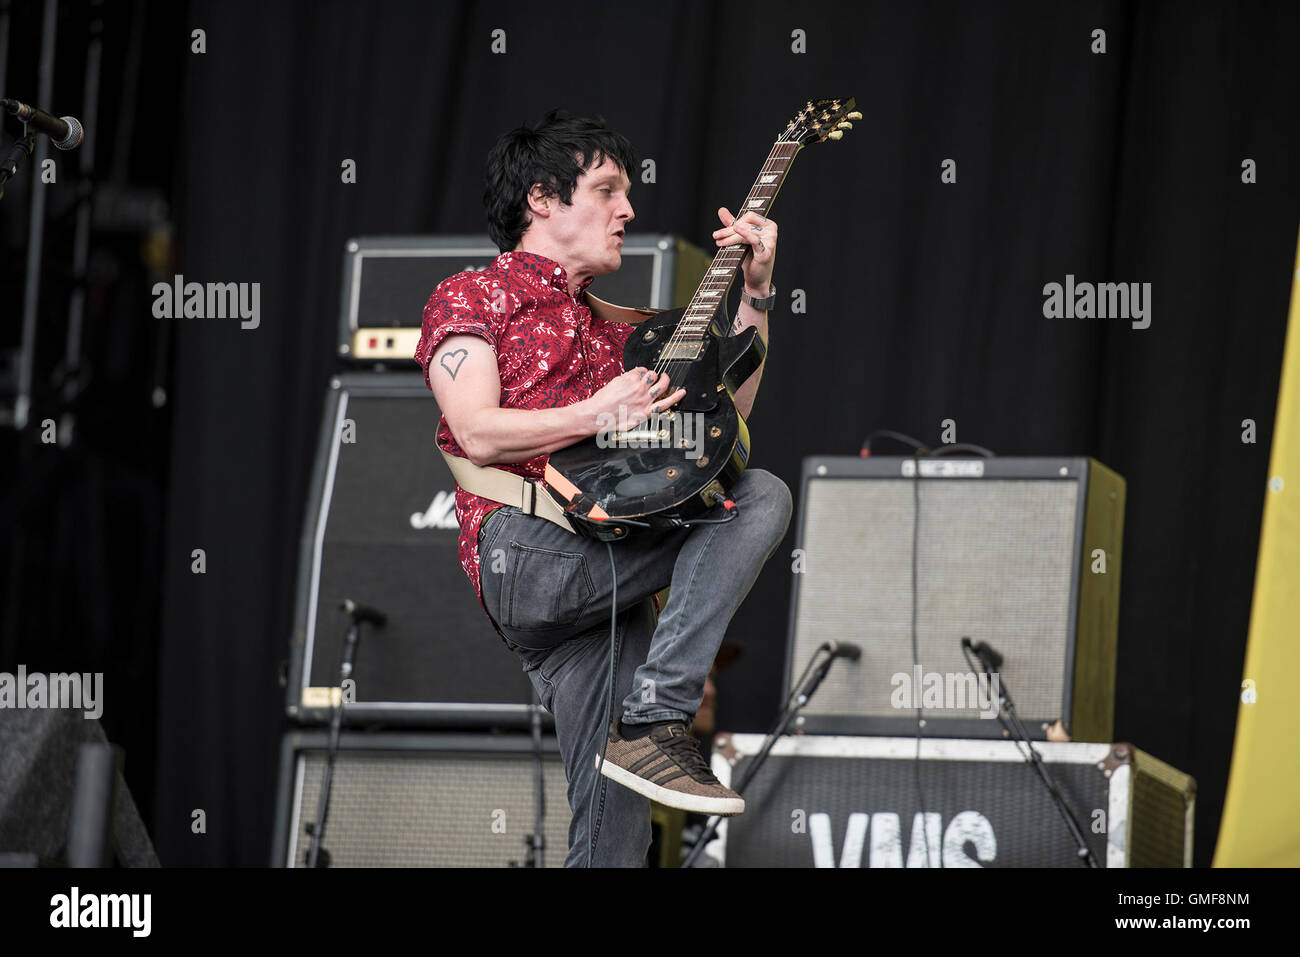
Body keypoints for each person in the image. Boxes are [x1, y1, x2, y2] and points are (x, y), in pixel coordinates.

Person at [414, 110, 792, 867]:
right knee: (761, 500)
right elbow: (478, 430)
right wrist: (595, 411)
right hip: (527, 552)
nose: (629, 209)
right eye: (607, 190)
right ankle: (661, 714)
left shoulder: (617, 333)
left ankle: (647, 729)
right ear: (542, 200)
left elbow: (719, 434)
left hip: (600, 578)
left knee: (616, 842)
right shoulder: (472, 295)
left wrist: (756, 292)